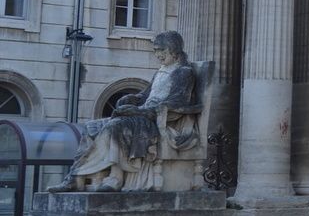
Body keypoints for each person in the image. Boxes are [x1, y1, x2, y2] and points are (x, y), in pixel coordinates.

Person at [49, 31, 200, 192]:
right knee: (91, 127)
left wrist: (141, 111)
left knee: (116, 125)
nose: (158, 55)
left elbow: (178, 102)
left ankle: (115, 177)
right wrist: (132, 98)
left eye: (161, 50)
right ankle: (76, 178)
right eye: (155, 50)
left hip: (157, 120)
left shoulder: (184, 72)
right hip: (143, 114)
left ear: (173, 49)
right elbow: (146, 95)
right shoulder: (161, 71)